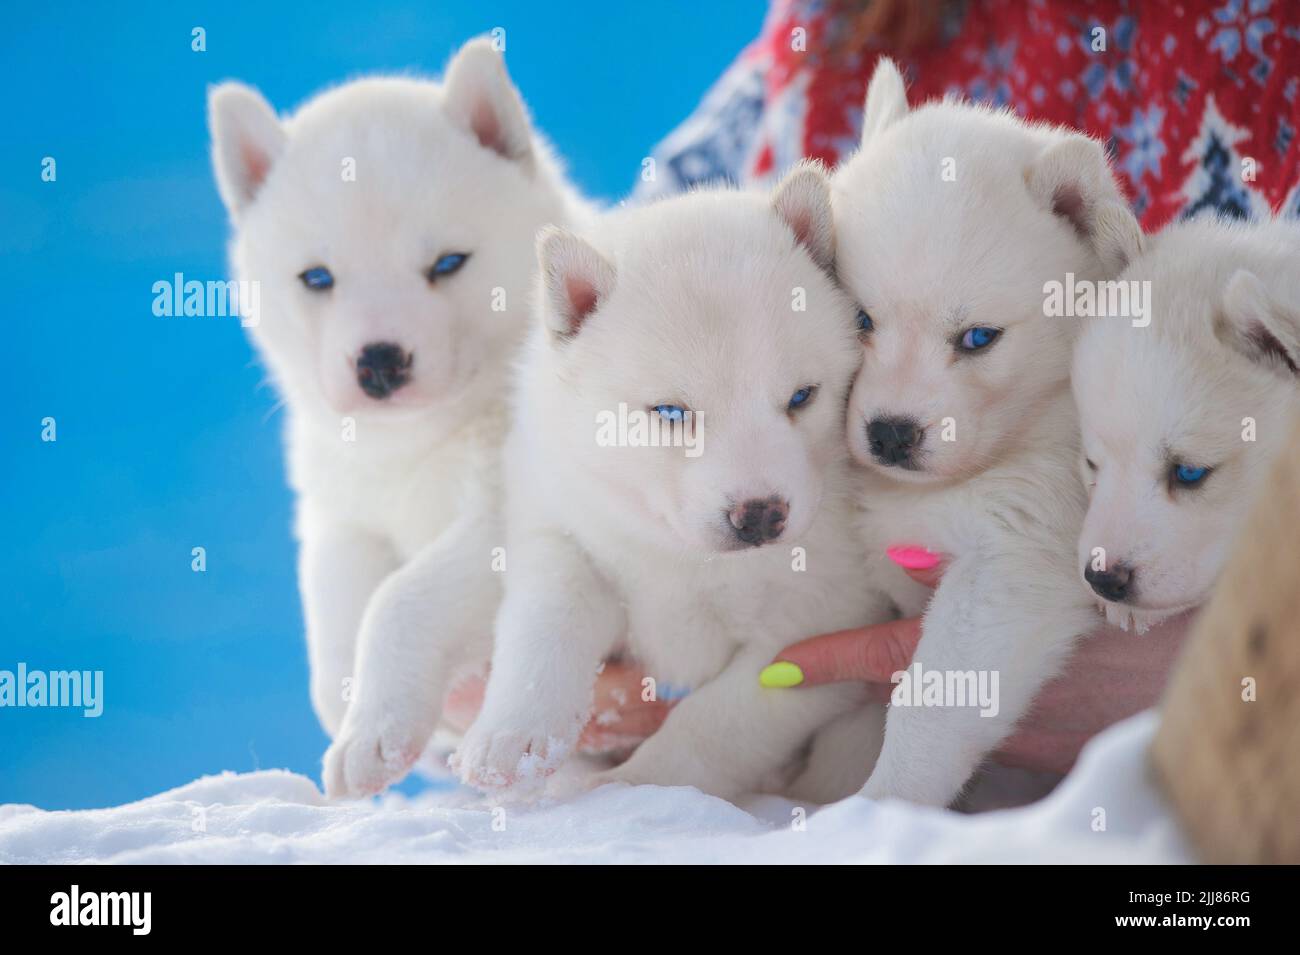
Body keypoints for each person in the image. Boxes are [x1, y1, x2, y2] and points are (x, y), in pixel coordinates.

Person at [450, 0, 1300, 781]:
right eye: (862, 321)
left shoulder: (1250, 36)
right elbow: (644, 301)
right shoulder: (834, 34)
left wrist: (1252, 668)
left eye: (975, 342)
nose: (893, 410)